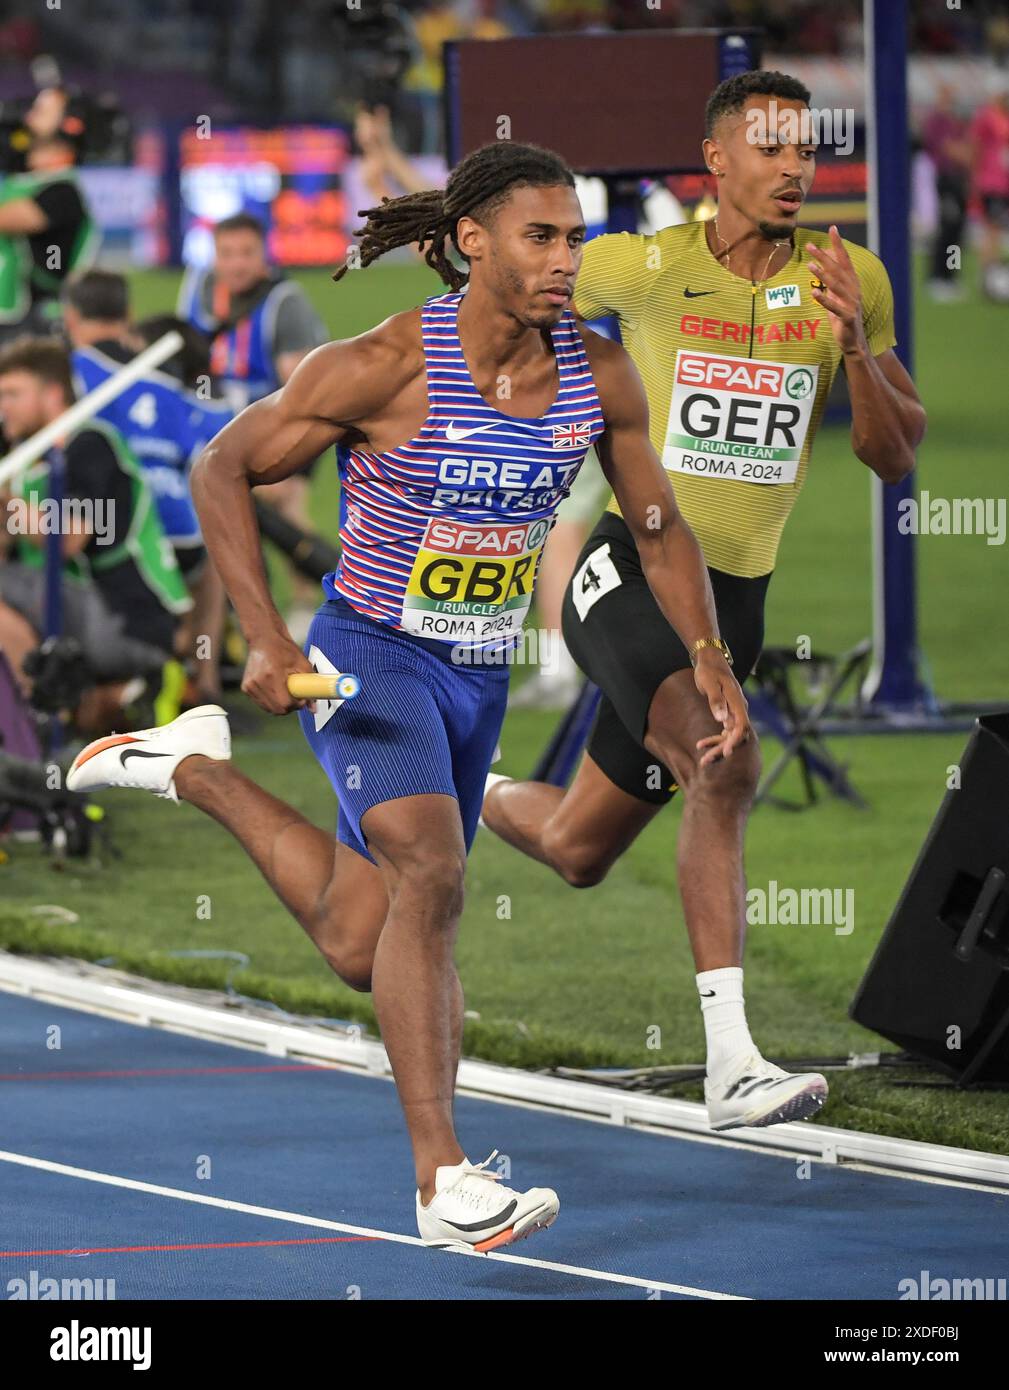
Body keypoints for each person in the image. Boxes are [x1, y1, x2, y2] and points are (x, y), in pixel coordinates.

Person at [68, 140, 750, 1249]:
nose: (566, 260)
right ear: (470, 241)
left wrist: (708, 652)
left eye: (574, 237)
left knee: (358, 935)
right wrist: (261, 630)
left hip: (475, 678)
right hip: (367, 656)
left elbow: (659, 523)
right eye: (541, 237)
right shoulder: (382, 365)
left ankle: (191, 768)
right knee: (429, 870)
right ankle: (442, 1179)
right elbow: (220, 468)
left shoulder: (599, 372)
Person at [480, 71, 926, 1132]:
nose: (793, 166)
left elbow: (891, 453)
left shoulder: (847, 276)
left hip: (737, 608)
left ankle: (457, 790)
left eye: (804, 149)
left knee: (580, 848)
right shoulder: (642, 267)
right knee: (723, 759)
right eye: (768, 147)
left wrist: (853, 345)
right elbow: (513, 285)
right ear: (714, 159)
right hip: (626, 571)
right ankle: (731, 1065)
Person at [62, 272, 232, 701]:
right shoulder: (165, 380)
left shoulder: (70, 375)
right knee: (210, 559)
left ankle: (125, 684)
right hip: (186, 534)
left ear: (70, 318)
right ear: (129, 316)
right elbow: (203, 453)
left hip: (124, 534)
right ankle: (204, 683)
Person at [0, 338, 191, 715]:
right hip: (74, 610)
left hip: (127, 619)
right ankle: (106, 700)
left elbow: (66, 537)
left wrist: (6, 502)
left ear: (52, 393)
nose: (3, 408)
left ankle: (39, 716)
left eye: (12, 394)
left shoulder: (90, 444)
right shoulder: (26, 462)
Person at [177, 212, 329, 639]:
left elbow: (300, 389)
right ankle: (235, 611)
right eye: (227, 253)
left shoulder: (285, 302)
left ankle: (303, 602)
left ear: (264, 254)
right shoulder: (198, 289)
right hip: (217, 427)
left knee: (285, 503)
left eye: (247, 253)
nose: (237, 264)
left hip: (283, 424)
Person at [0, 96, 97, 341]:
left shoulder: (64, 191)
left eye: (42, 110)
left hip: (29, 324)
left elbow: (8, 218)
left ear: (68, 124)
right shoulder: (23, 181)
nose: (30, 114)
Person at [921, 83, 971, 301]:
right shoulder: (936, 122)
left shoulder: (955, 121)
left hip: (958, 179)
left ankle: (951, 276)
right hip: (946, 178)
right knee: (947, 226)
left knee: (957, 229)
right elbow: (949, 148)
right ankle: (938, 277)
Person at [968, 81, 1009, 298]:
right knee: (991, 230)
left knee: (996, 231)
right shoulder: (987, 116)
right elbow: (975, 146)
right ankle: (988, 279)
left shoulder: (1003, 116)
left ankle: (994, 276)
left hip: (1003, 184)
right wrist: (975, 177)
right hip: (991, 182)